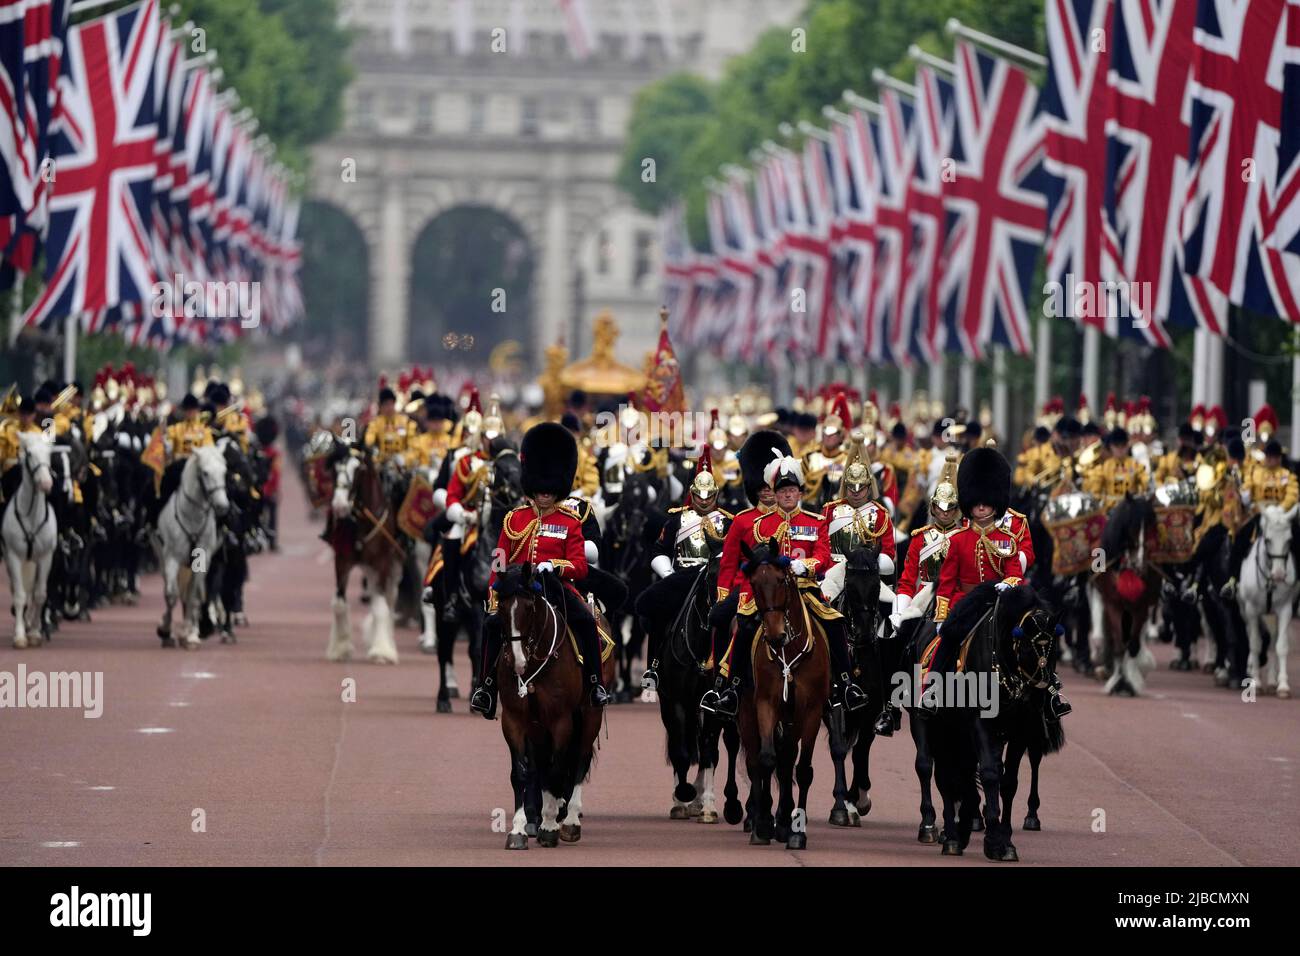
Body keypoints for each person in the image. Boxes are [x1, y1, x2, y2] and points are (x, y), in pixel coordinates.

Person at [706, 448, 868, 717]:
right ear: (776, 494)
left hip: (804, 589)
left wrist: (806, 565)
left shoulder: (815, 522)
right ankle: (731, 688)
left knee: (835, 622)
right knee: (744, 627)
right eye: (782, 492)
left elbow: (824, 556)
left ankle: (846, 682)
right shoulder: (761, 525)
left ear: (800, 493)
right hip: (770, 593)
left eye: (792, 491)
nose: (787, 495)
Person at [470, 423, 611, 718]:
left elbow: (581, 565)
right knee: (491, 626)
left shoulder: (571, 521)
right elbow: (499, 562)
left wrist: (556, 566)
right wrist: (496, 598)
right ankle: (485, 688)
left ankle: (596, 684)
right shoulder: (514, 519)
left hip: (556, 588)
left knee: (586, 622)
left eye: (550, 491)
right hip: (517, 589)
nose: (544, 495)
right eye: (540, 490)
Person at [929, 447, 1070, 720]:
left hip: (1001, 599)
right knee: (948, 636)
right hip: (966, 601)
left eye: (987, 502)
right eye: (977, 502)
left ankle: (1050, 690)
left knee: (1038, 628)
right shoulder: (957, 539)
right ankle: (932, 688)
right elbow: (946, 582)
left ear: (996, 502)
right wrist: (942, 614)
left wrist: (1010, 583)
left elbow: (1016, 568)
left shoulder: (1008, 537)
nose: (981, 506)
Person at [699, 429, 786, 716]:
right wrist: (725, 597)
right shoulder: (742, 520)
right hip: (746, 589)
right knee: (720, 619)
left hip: (783, 588)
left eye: (770, 486)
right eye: (761, 487)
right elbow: (728, 564)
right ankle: (725, 684)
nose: (766, 491)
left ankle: (836, 684)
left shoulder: (791, 519)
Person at [637, 444, 732, 692]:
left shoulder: (728, 522)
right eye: (699, 496)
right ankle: (654, 667)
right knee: (658, 610)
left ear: (716, 494)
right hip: (681, 578)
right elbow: (659, 551)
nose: (703, 501)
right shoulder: (677, 520)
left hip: (714, 579)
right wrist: (668, 575)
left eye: (708, 496)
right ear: (692, 493)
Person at [1223, 439, 1300, 596]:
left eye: (1274, 457)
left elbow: (1292, 495)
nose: (1271, 460)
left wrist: (1279, 510)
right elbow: (1247, 486)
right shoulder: (1255, 473)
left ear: (1279, 458)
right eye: (1269, 456)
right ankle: (1233, 580)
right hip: (1259, 515)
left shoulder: (1287, 475)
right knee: (1239, 540)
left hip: (1281, 518)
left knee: (1297, 542)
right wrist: (1245, 494)